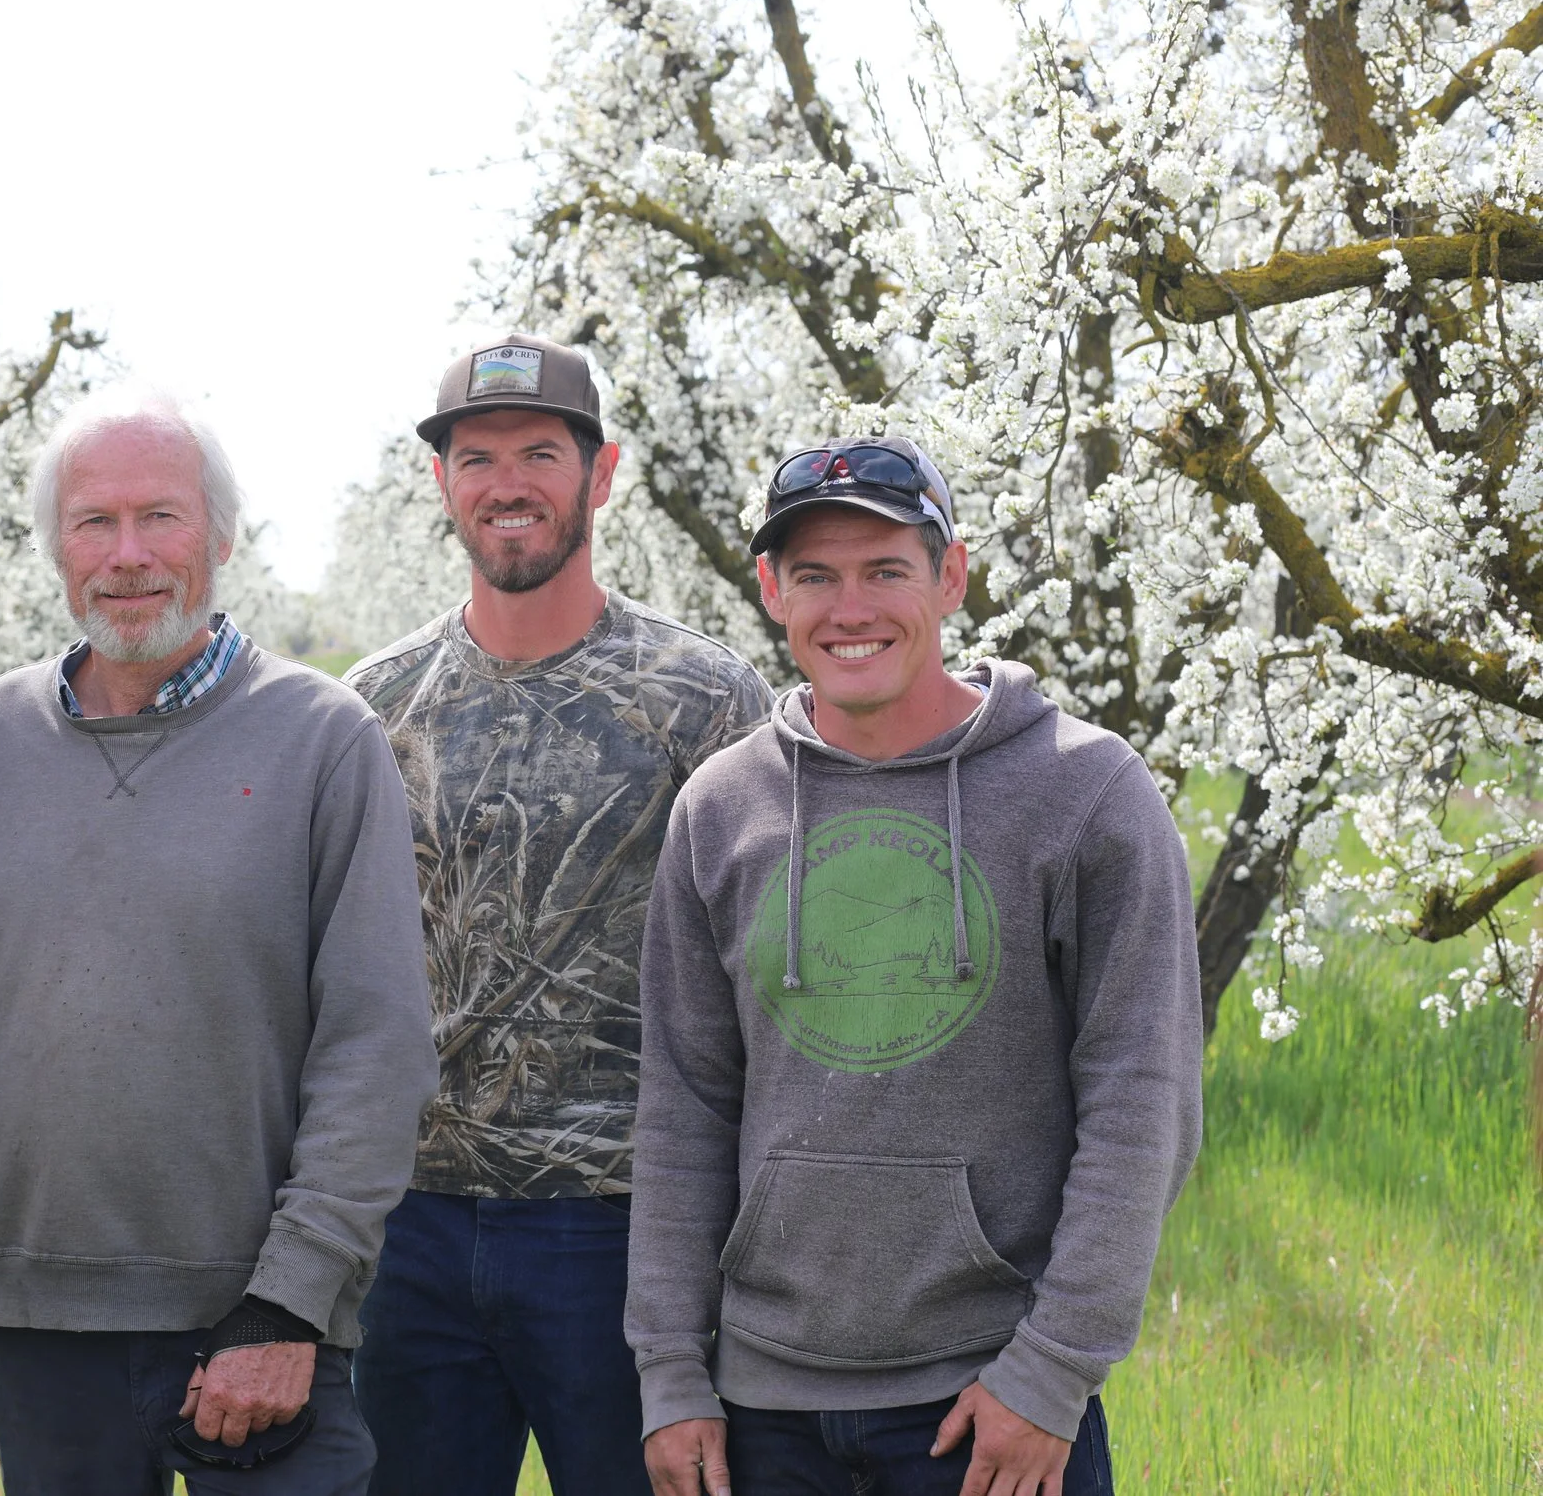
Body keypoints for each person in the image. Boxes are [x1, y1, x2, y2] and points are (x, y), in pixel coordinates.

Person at [628, 437, 1204, 1496]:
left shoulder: (1085, 794)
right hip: (760, 1410)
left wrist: (1051, 1373)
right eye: (815, 575)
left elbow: (1142, 1102)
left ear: (950, 575)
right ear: (770, 589)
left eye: (886, 569)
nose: (850, 608)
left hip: (989, 1407)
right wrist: (671, 1368)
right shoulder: (719, 807)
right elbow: (683, 1106)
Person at [0, 394, 436, 1496]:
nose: (126, 556)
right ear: (53, 545)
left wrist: (291, 1297)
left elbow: (378, 1039)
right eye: (91, 522)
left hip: (257, 1315)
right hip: (40, 1317)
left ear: (221, 535)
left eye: (160, 516)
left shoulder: (321, 737)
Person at [343, 335, 772, 1494]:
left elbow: (766, 975)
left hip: (625, 1234)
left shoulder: (708, 698)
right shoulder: (371, 707)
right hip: (410, 1231)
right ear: (440, 482)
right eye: (475, 456)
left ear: (604, 471)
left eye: (541, 450)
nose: (508, 482)